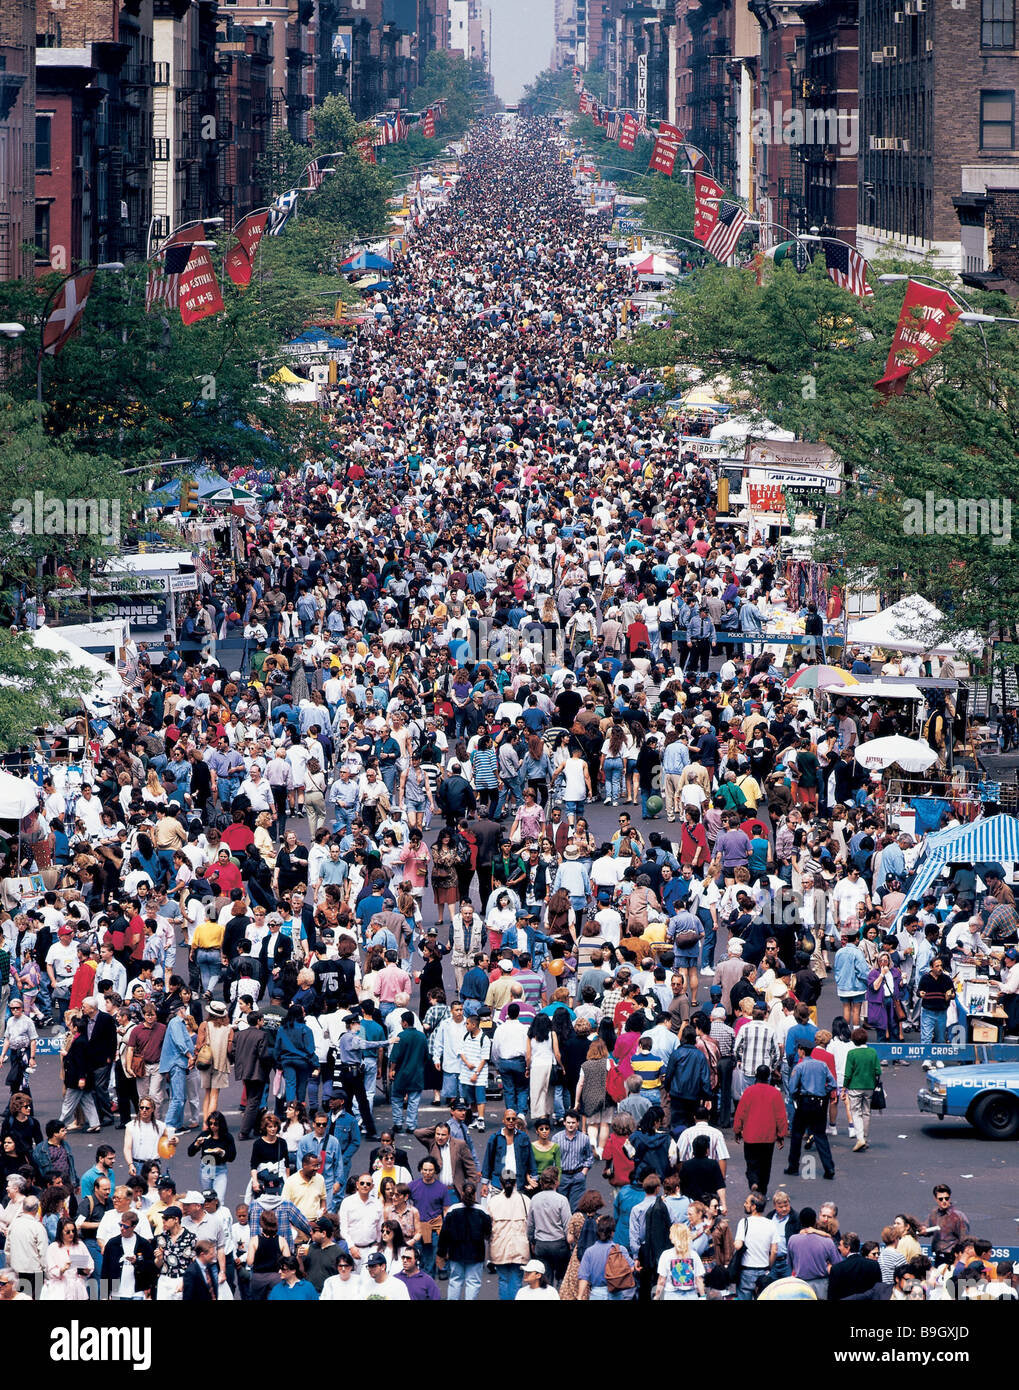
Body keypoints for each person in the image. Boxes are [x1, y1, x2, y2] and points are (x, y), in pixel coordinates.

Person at [843, 1027, 882, 1153]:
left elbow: (848, 1073)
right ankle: (864, 1137)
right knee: (866, 1112)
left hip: (855, 1086)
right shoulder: (872, 1052)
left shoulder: (852, 1054)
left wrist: (844, 1087)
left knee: (856, 1112)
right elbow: (878, 1071)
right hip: (869, 1086)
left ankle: (860, 1139)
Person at [654, 1221, 705, 1301]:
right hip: (691, 1295)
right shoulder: (694, 1255)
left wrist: (656, 1296)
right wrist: (703, 1297)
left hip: (671, 1296)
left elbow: (661, 1280)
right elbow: (698, 1279)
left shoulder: (666, 1255)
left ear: (672, 1237)